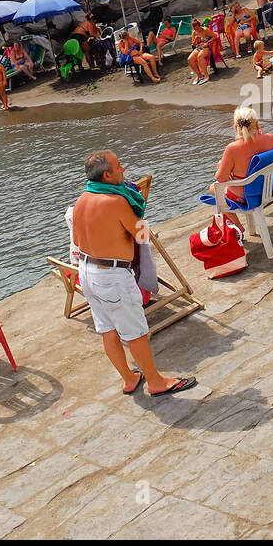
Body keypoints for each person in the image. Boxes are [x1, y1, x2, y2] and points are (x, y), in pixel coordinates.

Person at [70, 151, 195, 397]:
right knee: (135, 332)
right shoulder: (116, 202)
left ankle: (129, 378)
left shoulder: (81, 200)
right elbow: (141, 235)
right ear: (107, 175)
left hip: (87, 272)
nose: (123, 170)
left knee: (107, 328)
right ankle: (156, 382)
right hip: (111, 276)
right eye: (119, 167)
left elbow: (77, 240)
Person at [214, 106, 273, 209]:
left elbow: (220, 178)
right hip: (270, 189)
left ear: (235, 127)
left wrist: (221, 167)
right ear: (257, 124)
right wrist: (265, 136)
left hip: (248, 197)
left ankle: (239, 226)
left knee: (213, 189)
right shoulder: (270, 139)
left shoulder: (232, 149)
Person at [187, 19, 215, 84]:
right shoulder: (194, 32)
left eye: (197, 28)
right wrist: (195, 40)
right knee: (190, 59)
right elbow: (193, 45)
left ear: (200, 26)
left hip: (206, 47)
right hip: (198, 47)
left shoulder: (206, 30)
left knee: (200, 56)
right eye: (194, 29)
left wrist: (207, 43)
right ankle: (199, 75)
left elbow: (214, 36)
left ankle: (206, 76)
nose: (196, 30)